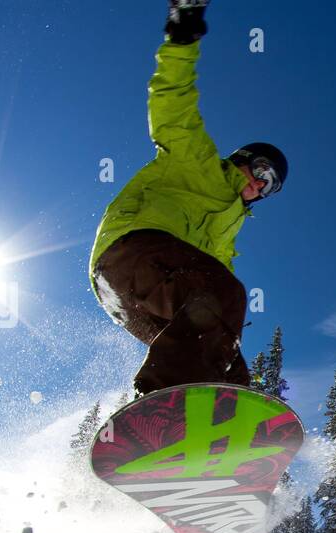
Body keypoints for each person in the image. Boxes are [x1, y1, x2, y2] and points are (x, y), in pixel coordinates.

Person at [89, 0, 289, 397]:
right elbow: (172, 100)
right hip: (132, 253)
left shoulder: (227, 233)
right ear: (245, 159)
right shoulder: (196, 158)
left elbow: (216, 316)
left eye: (270, 188)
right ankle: (162, 408)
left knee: (228, 362)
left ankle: (220, 434)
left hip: (143, 303)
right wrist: (181, 35)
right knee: (224, 292)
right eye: (262, 172)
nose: (260, 187)